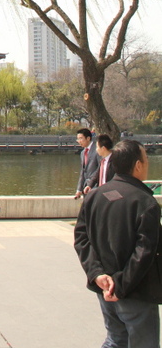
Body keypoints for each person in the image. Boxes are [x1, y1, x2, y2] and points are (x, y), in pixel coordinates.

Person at [74, 139, 162, 348]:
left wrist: (97, 274)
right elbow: (145, 251)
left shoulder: (95, 196)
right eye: (146, 159)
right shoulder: (145, 202)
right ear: (138, 165)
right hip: (136, 291)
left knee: (116, 340)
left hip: (104, 287)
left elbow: (81, 239)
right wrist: (120, 285)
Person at [74, 127, 98, 198]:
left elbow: (100, 169)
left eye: (81, 138)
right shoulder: (82, 153)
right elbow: (83, 172)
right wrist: (79, 189)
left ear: (88, 138)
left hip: (96, 187)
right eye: (78, 139)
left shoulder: (98, 149)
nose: (79, 141)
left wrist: (91, 184)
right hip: (86, 188)